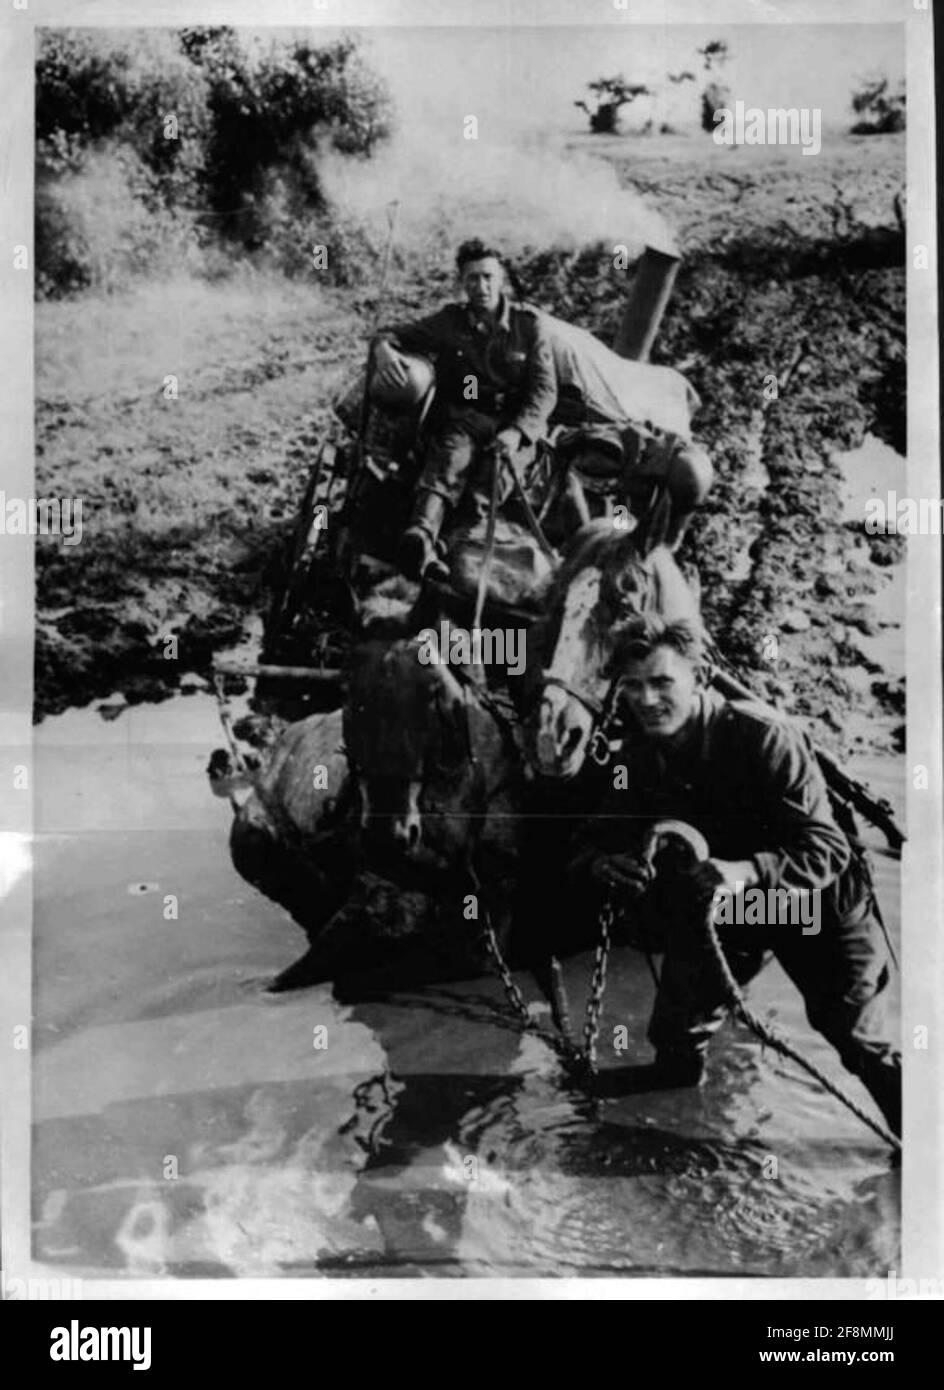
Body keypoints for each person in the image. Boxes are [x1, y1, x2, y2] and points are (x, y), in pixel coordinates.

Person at [568, 614, 901, 1138]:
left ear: (699, 679)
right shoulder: (636, 756)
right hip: (725, 908)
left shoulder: (764, 736)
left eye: (662, 683)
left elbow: (826, 847)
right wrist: (604, 863)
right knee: (675, 1033)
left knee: (860, 1044)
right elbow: (594, 836)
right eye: (632, 686)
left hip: (814, 900)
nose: (646, 700)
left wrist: (748, 871)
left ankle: (926, 1158)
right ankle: (673, 1126)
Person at [371, 238, 557, 580]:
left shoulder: (529, 326)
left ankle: (447, 551)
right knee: (447, 460)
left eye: (487, 277)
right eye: (472, 279)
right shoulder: (450, 321)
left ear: (502, 280)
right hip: (468, 417)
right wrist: (384, 348)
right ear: (462, 283)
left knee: (490, 481)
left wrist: (517, 433)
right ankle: (421, 536)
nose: (481, 286)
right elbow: (391, 333)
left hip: (514, 426)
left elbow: (544, 390)